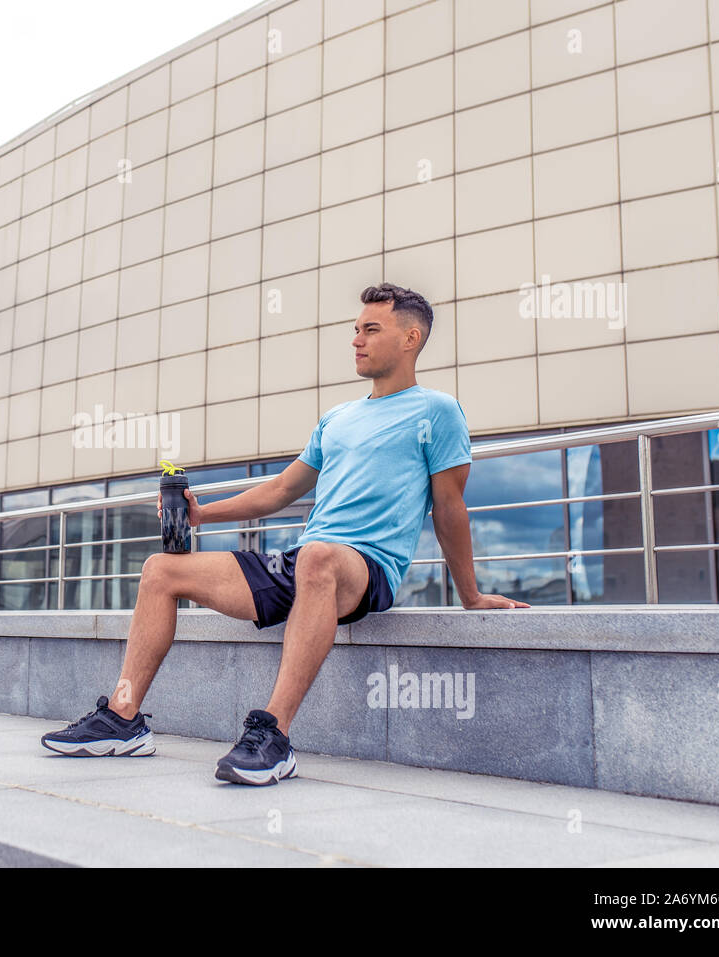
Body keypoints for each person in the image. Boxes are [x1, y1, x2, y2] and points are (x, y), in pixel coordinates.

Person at [41, 283, 531, 784]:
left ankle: (273, 737)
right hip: (306, 562)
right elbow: (278, 491)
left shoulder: (438, 411)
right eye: (356, 330)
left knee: (318, 556)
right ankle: (123, 720)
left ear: (410, 338)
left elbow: (449, 508)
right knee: (161, 570)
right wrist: (201, 515)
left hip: (366, 567)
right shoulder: (337, 418)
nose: (357, 340)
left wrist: (469, 595)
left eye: (370, 329)